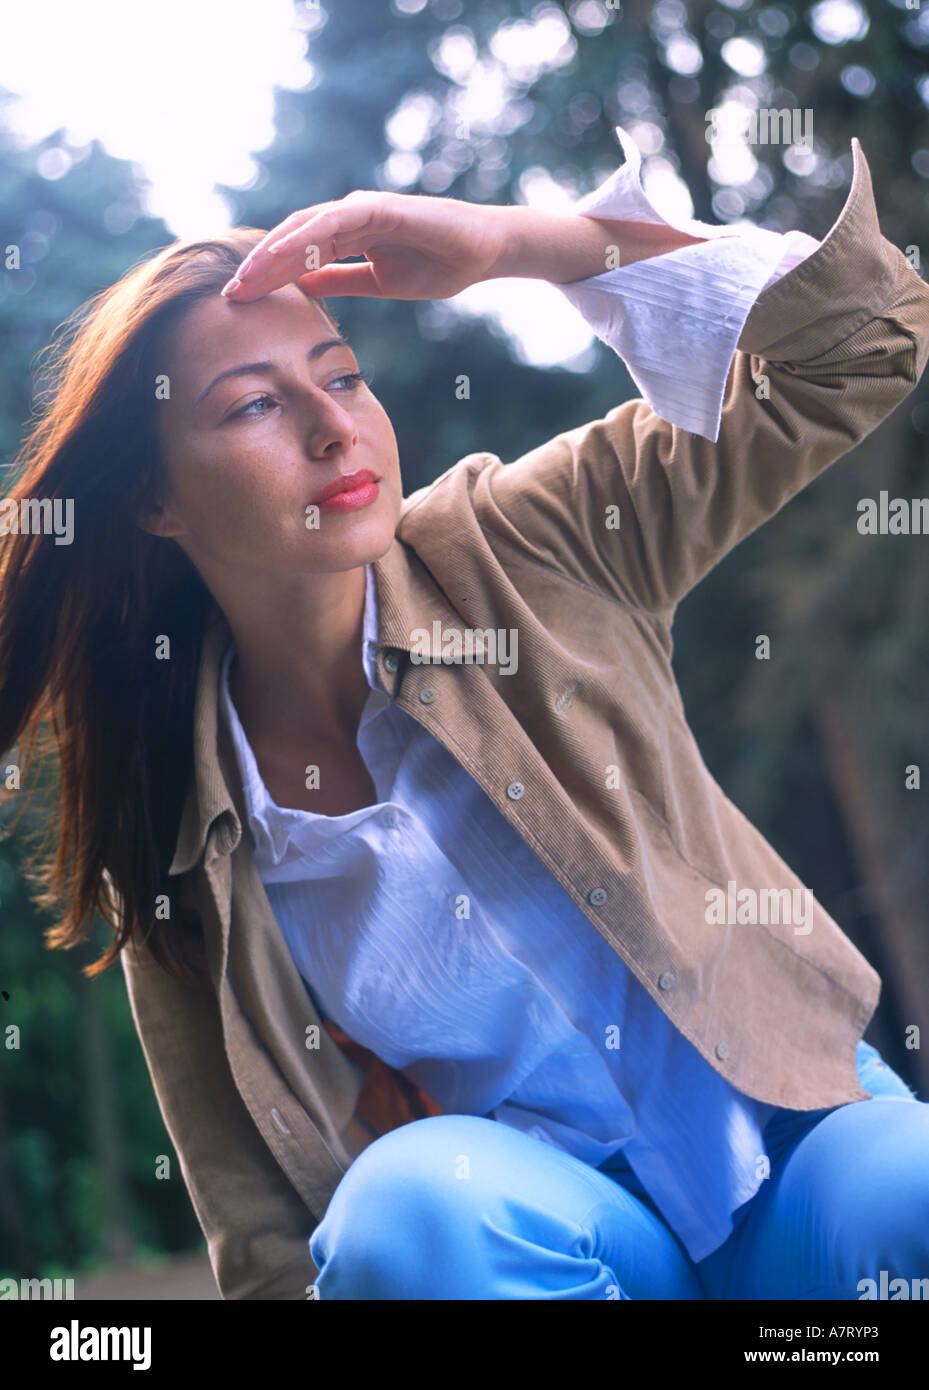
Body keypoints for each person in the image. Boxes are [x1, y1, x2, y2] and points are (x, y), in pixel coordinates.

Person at [1, 126, 927, 1300]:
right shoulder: (177, 826)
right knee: (403, 1210)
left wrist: (519, 245)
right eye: (252, 407)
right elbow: (267, 1240)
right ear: (152, 500)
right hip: (554, 1248)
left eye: (342, 376)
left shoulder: (521, 543)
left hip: (804, 1157)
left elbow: (862, 341)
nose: (334, 428)